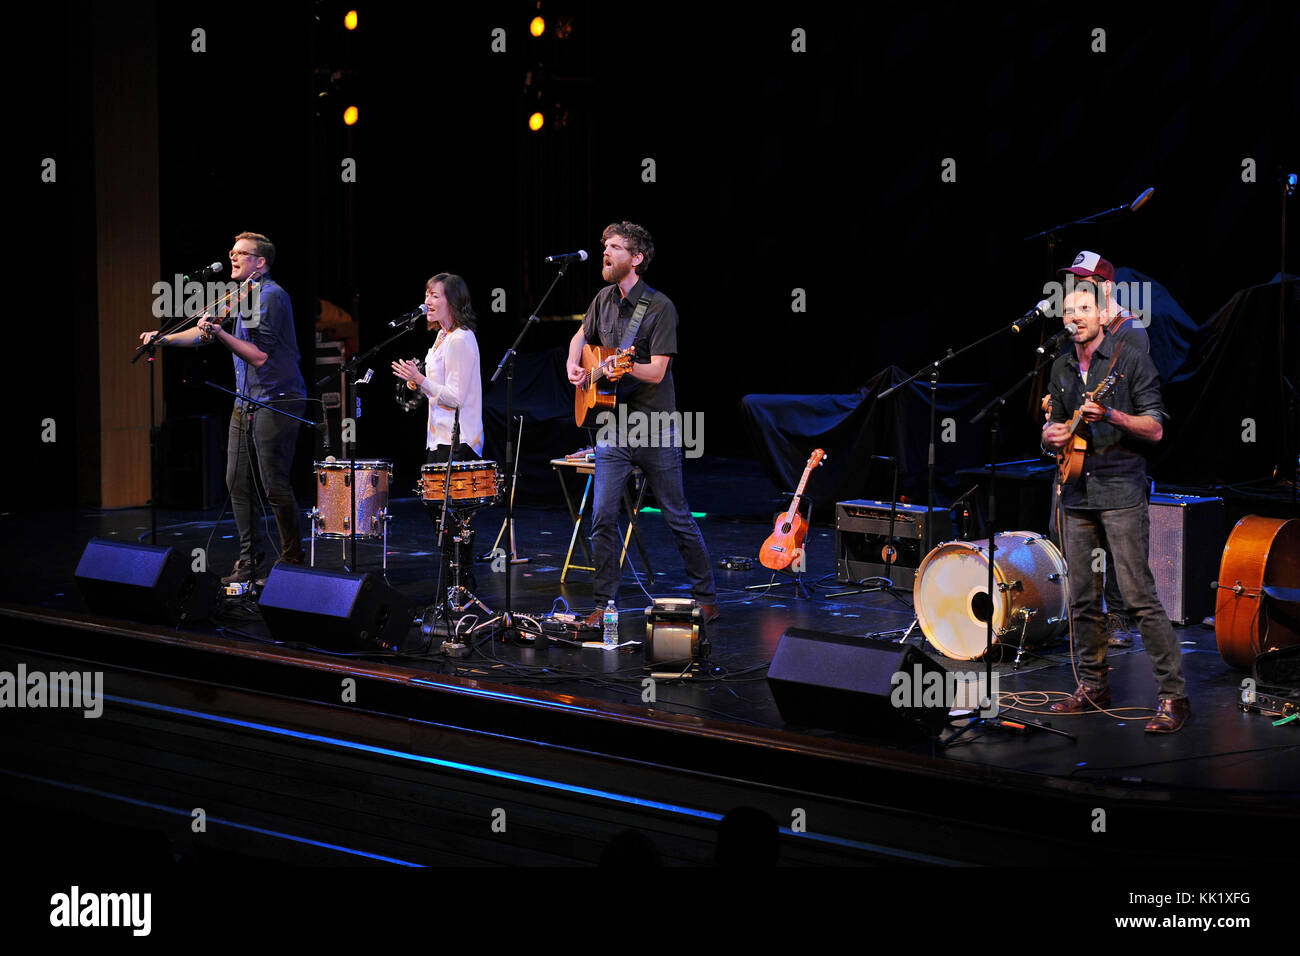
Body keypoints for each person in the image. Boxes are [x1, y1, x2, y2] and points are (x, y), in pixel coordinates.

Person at [1040, 279, 1189, 732]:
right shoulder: (1062, 368)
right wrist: (1052, 437)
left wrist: (1112, 416)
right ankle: (1092, 684)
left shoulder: (1131, 361)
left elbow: (1157, 428)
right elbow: (1052, 428)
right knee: (1083, 597)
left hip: (1121, 490)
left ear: (1105, 316)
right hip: (1077, 492)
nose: (1075, 317)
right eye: (1069, 311)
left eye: (1085, 308)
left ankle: (1173, 697)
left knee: (1139, 597)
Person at [565, 222, 718, 627]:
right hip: (613, 428)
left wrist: (623, 370)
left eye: (615, 247)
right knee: (601, 516)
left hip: (655, 427)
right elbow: (580, 337)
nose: (606, 252)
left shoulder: (661, 307)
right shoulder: (602, 299)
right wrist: (575, 366)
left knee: (676, 516)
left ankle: (706, 596)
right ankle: (603, 605)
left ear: (636, 258)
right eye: (605, 246)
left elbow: (656, 372)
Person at [140, 232, 307, 584]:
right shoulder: (238, 294)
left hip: (276, 399)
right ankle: (250, 560)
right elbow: (204, 333)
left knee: (273, 485)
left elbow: (259, 355)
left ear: (260, 262)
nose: (233, 257)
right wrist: (164, 339)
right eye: (232, 252)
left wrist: (219, 333)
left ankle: (293, 560)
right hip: (245, 401)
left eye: (242, 253)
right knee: (237, 482)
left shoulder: (271, 296)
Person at [1048, 251, 1148, 647]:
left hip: (1115, 454)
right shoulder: (1077, 324)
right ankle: (1079, 615)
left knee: (1114, 540)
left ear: (1106, 287)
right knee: (1066, 529)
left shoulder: (1130, 331)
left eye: (1083, 282)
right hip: (1079, 449)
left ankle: (1120, 619)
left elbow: (1128, 392)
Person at [392, 274, 483, 597]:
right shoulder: (442, 338)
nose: (427, 302)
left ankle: (460, 586)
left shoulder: (460, 338)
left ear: (452, 301)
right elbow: (438, 389)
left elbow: (457, 397)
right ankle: (455, 586)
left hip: (458, 442)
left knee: (454, 522)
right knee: (442, 520)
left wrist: (420, 378)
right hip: (439, 439)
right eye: (426, 294)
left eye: (435, 296)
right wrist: (417, 382)